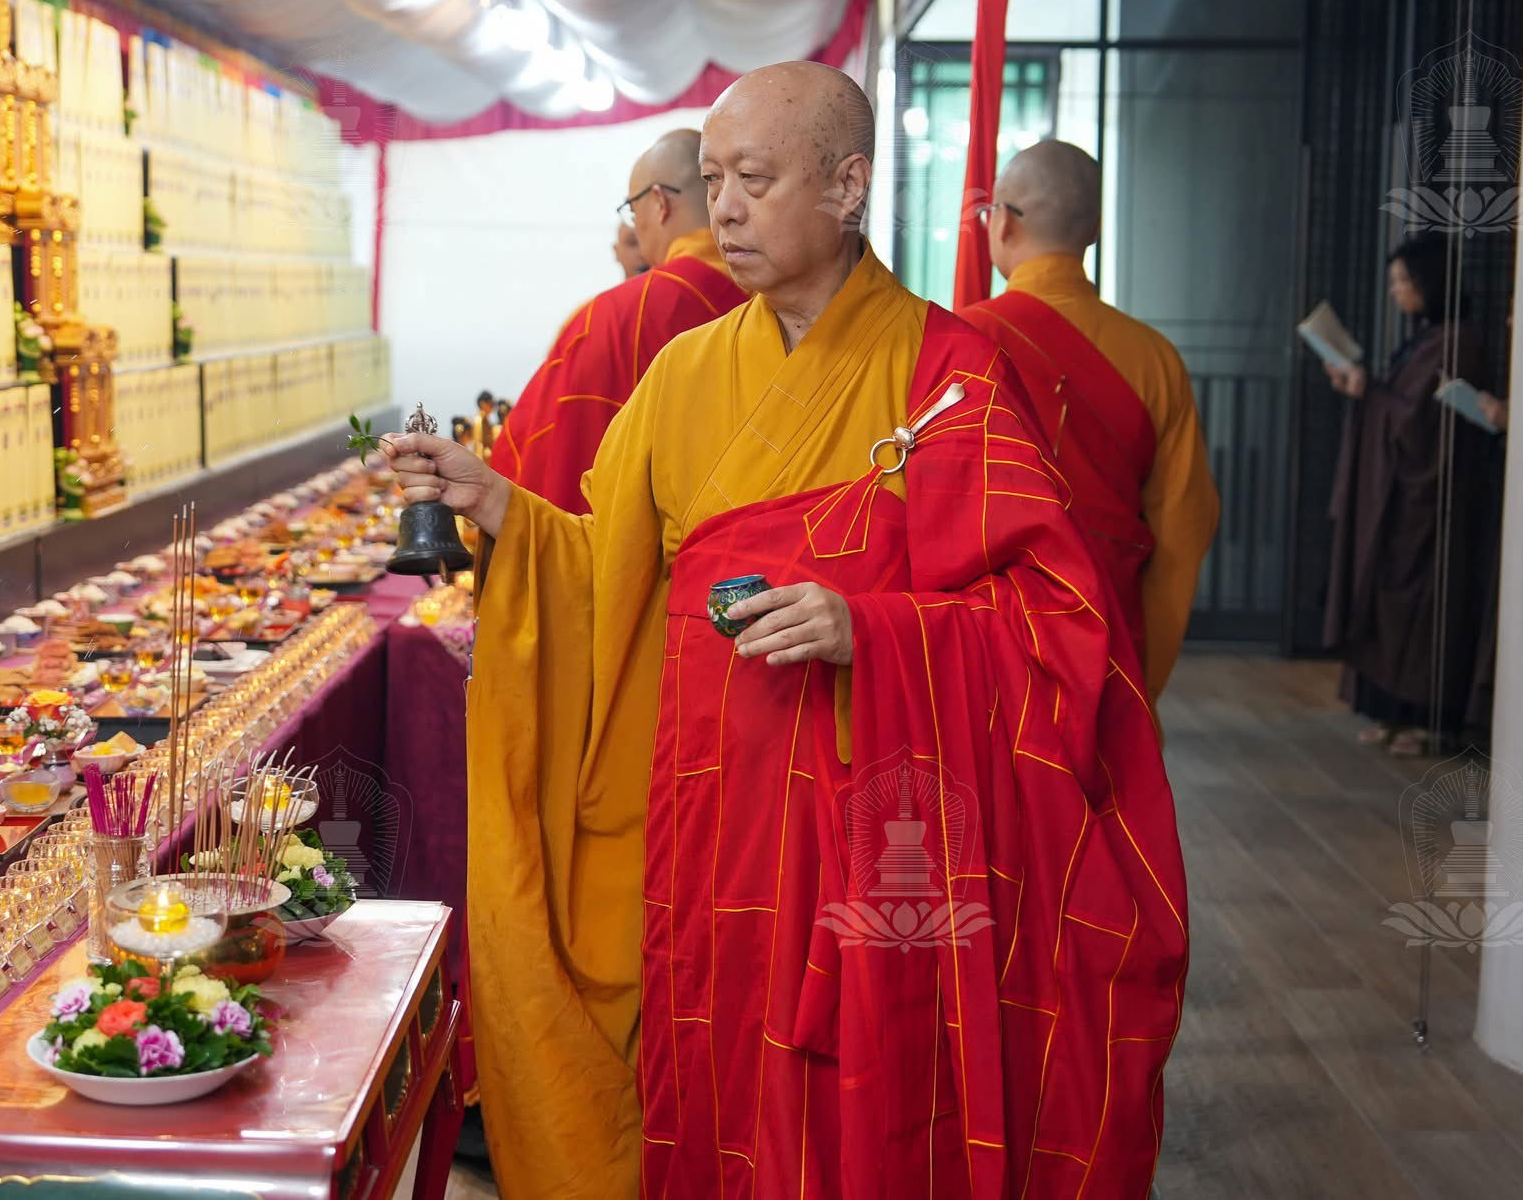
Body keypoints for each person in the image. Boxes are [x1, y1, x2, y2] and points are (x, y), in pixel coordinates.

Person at [385, 63, 1186, 1200]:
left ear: (847, 184)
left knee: (854, 1115)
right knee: (709, 1085)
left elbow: (1056, 625)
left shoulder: (951, 376)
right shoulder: (685, 372)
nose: (724, 209)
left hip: (870, 830)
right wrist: (501, 506)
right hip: (707, 825)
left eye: (755, 179)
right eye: (712, 180)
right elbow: (599, 569)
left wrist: (875, 632)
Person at [960, 140, 1219, 697]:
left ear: (1001, 223)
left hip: (988, 640)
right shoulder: (1155, 357)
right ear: (1096, 229)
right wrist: (1142, 680)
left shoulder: (963, 341)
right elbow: (1185, 527)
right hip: (1110, 641)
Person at [488, 129, 749, 514]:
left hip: (641, 558)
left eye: (633, 210)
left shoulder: (613, 318)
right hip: (758, 554)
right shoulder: (775, 298)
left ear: (658, 203)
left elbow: (548, 470)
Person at [1322, 232, 1492, 755]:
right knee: (1389, 601)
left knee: (1422, 610)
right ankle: (1391, 714)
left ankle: (1424, 720)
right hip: (1403, 501)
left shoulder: (1458, 340)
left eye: (1403, 281)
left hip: (1434, 504)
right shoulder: (1427, 336)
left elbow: (1422, 424)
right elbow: (1402, 405)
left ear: (1429, 282)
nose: (1395, 291)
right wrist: (1365, 389)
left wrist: (1368, 391)